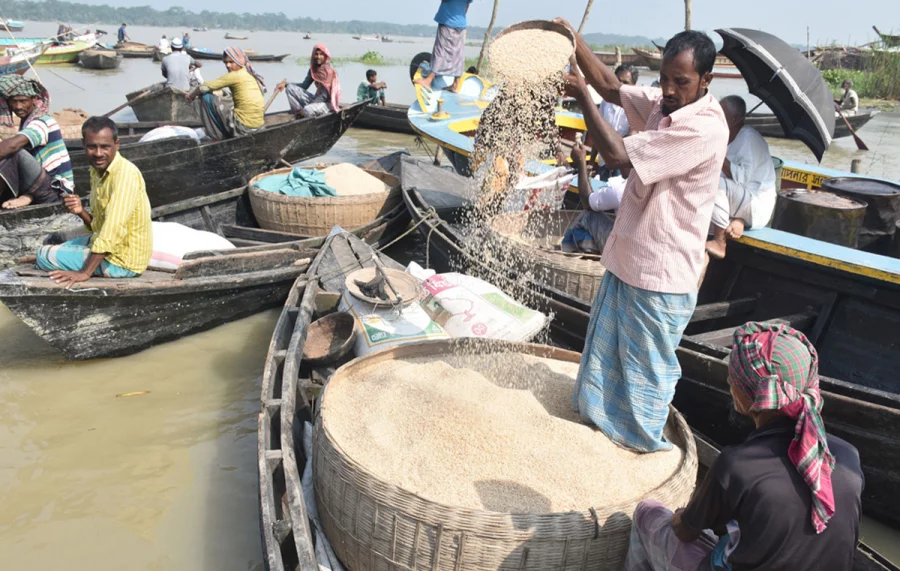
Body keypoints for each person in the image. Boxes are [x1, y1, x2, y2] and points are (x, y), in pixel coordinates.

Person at [560, 19, 729, 452]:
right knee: (606, 363)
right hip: (629, 259)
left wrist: (582, 98)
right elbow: (611, 86)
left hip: (661, 274)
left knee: (646, 376)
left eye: (681, 82)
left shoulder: (703, 128)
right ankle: (602, 436)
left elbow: (617, 156)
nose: (669, 89)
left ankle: (642, 450)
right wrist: (571, 38)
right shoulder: (663, 105)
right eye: (665, 79)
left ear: (706, 80)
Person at [624, 322, 863, 571]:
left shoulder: (737, 465)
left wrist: (680, 516)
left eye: (733, 378)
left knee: (647, 513)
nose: (729, 380)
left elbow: (685, 532)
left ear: (752, 395)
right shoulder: (848, 456)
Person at [36, 116, 152, 287]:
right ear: (84, 144)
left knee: (42, 255)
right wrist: (80, 211)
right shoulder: (97, 170)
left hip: (123, 260)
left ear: (116, 144)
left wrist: (85, 273)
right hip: (109, 245)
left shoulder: (125, 175)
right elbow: (99, 226)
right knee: (54, 242)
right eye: (92, 147)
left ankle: (43, 258)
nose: (98, 153)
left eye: (105, 147)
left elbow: (112, 230)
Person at [705, 95, 777, 259]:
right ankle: (738, 221)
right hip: (739, 203)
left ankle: (719, 242)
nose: (716, 118)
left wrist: (717, 155)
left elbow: (741, 179)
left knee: (715, 184)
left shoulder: (749, 138)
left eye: (721, 114)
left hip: (756, 204)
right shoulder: (728, 137)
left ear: (736, 118)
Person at [0, 76, 74, 210]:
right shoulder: (27, 123)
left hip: (57, 192)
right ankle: (24, 196)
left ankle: (26, 196)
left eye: (23, 101)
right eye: (13, 101)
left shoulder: (43, 121)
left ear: (34, 99)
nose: (18, 106)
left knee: (14, 151)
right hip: (40, 186)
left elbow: (12, 145)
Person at [560, 142, 627, 254]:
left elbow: (587, 201)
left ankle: (566, 249)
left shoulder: (621, 189)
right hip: (643, 246)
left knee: (588, 215)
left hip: (623, 250)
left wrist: (581, 162)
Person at [187, 47, 265, 140]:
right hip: (259, 125)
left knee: (206, 97)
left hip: (243, 127)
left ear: (239, 61)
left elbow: (203, 87)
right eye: (226, 62)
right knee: (225, 94)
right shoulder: (249, 73)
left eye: (231, 62)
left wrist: (191, 96)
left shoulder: (235, 75)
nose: (228, 65)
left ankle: (217, 134)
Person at [414, 0, 472, 93]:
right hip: (461, 24)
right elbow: (467, 6)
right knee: (458, 53)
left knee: (440, 51)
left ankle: (429, 79)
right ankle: (456, 84)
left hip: (448, 20)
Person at [593, 63, 638, 181]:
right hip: (604, 160)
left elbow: (633, 135)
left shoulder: (637, 106)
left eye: (625, 82)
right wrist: (592, 161)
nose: (621, 86)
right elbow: (597, 132)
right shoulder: (606, 102)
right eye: (618, 81)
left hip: (624, 164)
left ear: (634, 85)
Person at [278, 45, 341, 118]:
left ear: (325, 56)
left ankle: (303, 113)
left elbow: (324, 96)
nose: (318, 57)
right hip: (316, 100)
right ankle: (298, 113)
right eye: (316, 54)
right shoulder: (313, 70)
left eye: (321, 54)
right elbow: (304, 85)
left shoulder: (328, 72)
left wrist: (309, 106)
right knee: (290, 88)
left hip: (327, 103)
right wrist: (286, 84)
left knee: (307, 109)